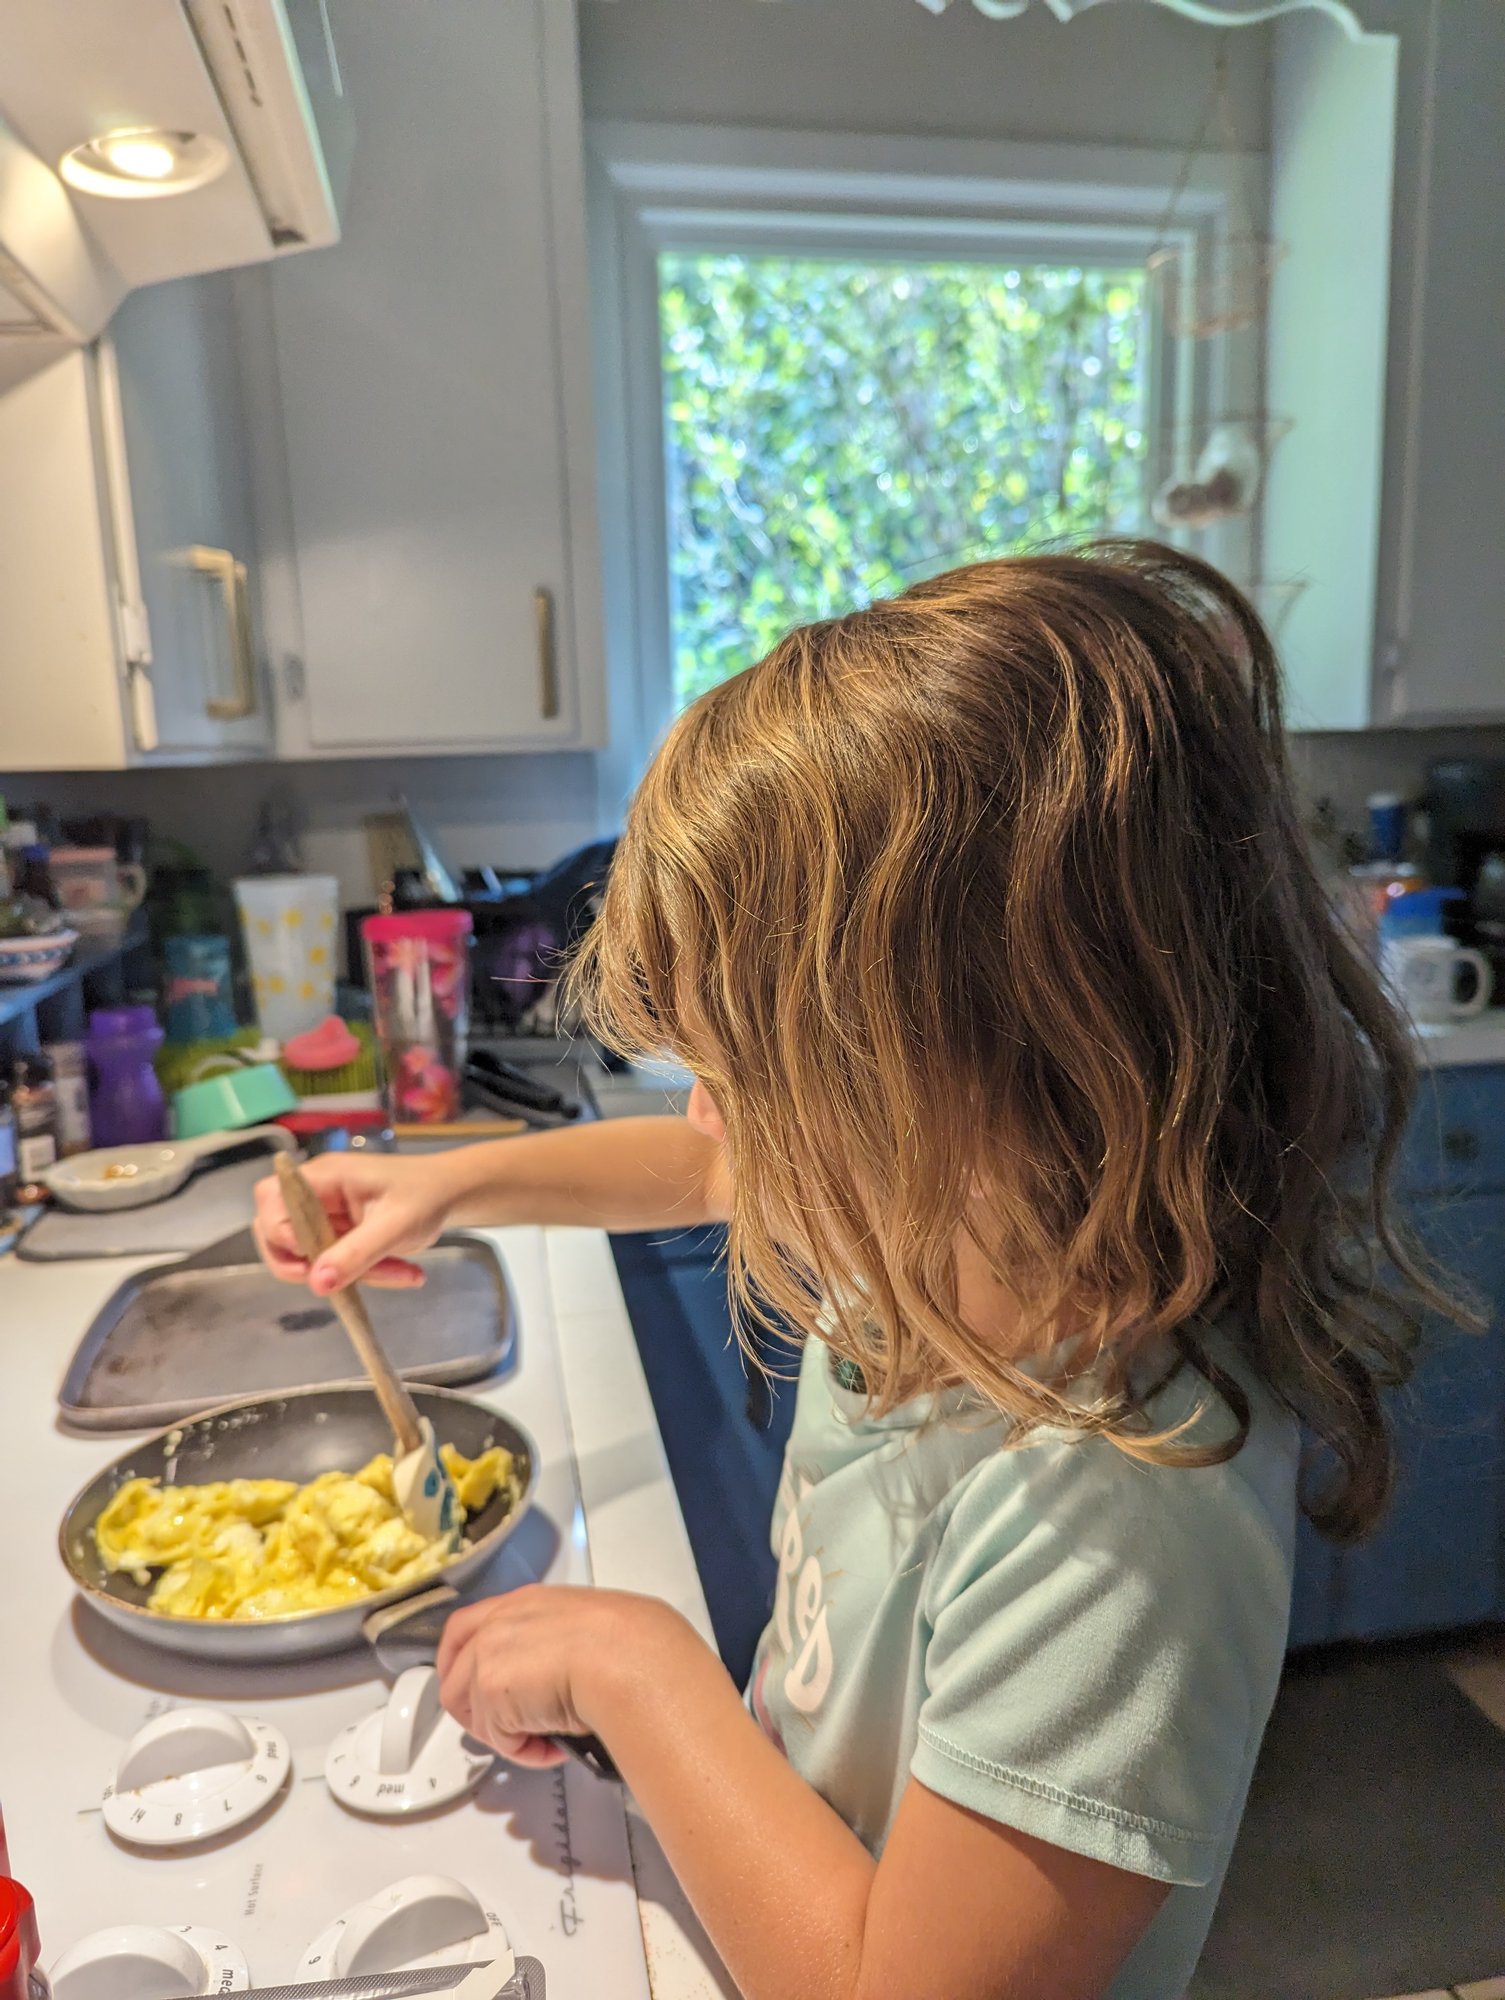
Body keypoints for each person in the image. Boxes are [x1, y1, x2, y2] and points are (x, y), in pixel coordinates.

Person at [254, 542, 1456, 2000]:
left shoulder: (1127, 1503)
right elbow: (714, 1166)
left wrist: (643, 1676)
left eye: (743, 1072)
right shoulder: (943, 1230)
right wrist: (451, 1183)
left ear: (988, 1068)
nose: (708, 1116)